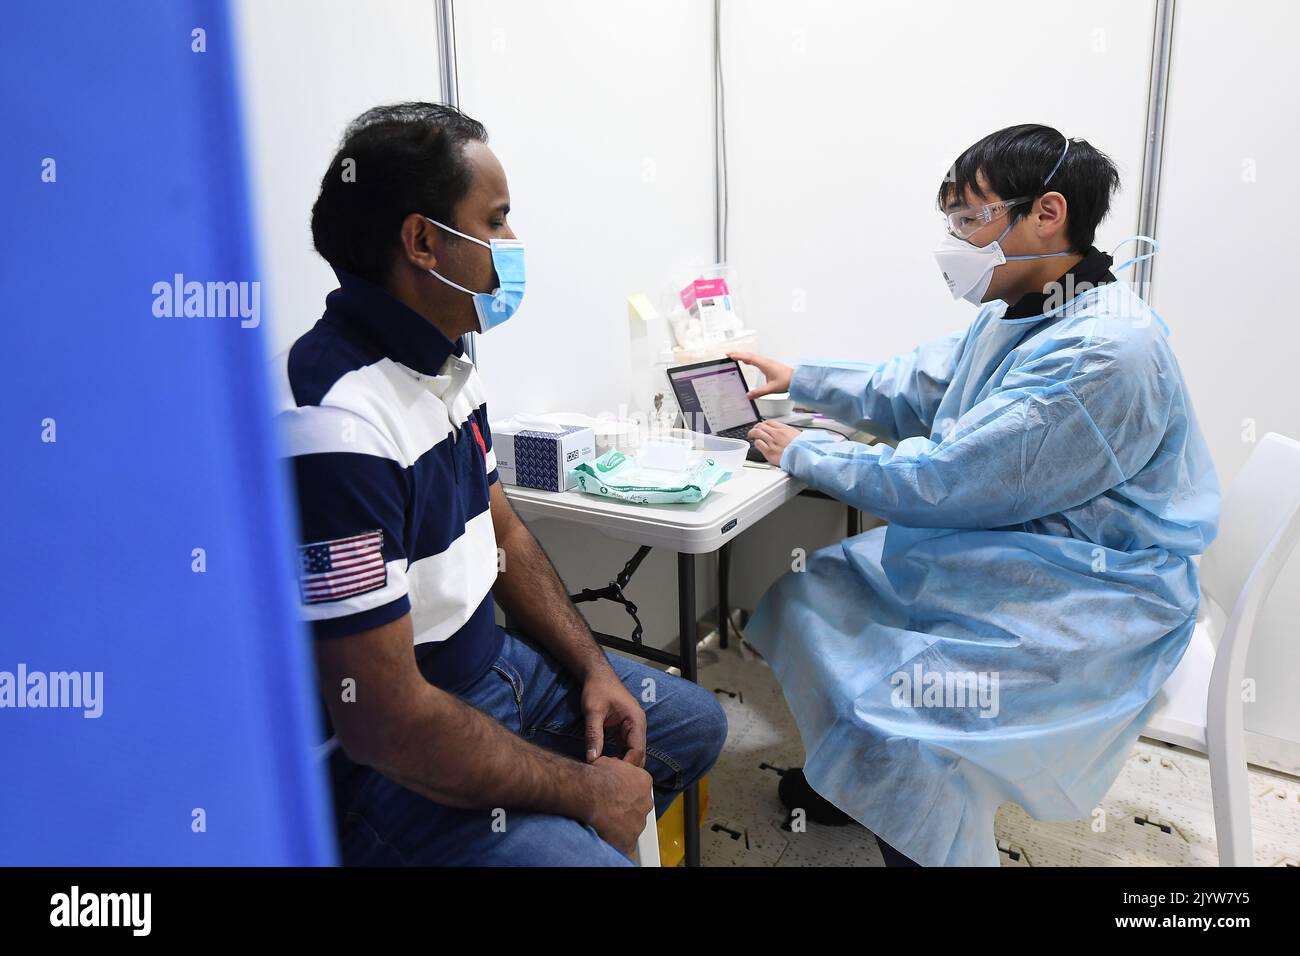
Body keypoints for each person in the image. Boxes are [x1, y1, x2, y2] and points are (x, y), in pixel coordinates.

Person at [730, 124, 1219, 867]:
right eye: (952, 220)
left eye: (970, 219)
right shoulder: (1027, 307)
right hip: (1019, 555)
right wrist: (800, 379)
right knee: (816, 590)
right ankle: (854, 778)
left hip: (1097, 594)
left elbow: (947, 479)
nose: (955, 241)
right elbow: (919, 386)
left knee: (910, 722)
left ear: (1047, 213)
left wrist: (807, 450)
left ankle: (900, 797)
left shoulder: (1104, 350)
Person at [275, 103, 727, 865]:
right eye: (497, 221)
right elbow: (382, 722)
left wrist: (593, 668)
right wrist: (585, 793)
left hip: (498, 666)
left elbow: (505, 533)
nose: (511, 247)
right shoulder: (338, 426)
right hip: (399, 752)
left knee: (691, 724)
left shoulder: (449, 367)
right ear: (423, 241)